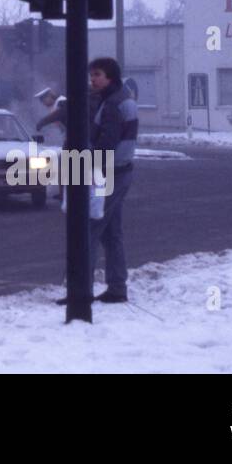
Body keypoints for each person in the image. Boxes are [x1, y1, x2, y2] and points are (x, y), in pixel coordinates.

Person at [87, 56, 138, 304]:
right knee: (111, 232)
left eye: (97, 74)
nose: (92, 79)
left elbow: (105, 143)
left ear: (110, 77)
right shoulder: (122, 99)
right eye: (92, 75)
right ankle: (117, 287)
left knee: (90, 228)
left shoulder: (111, 104)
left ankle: (80, 289)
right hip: (121, 169)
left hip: (109, 171)